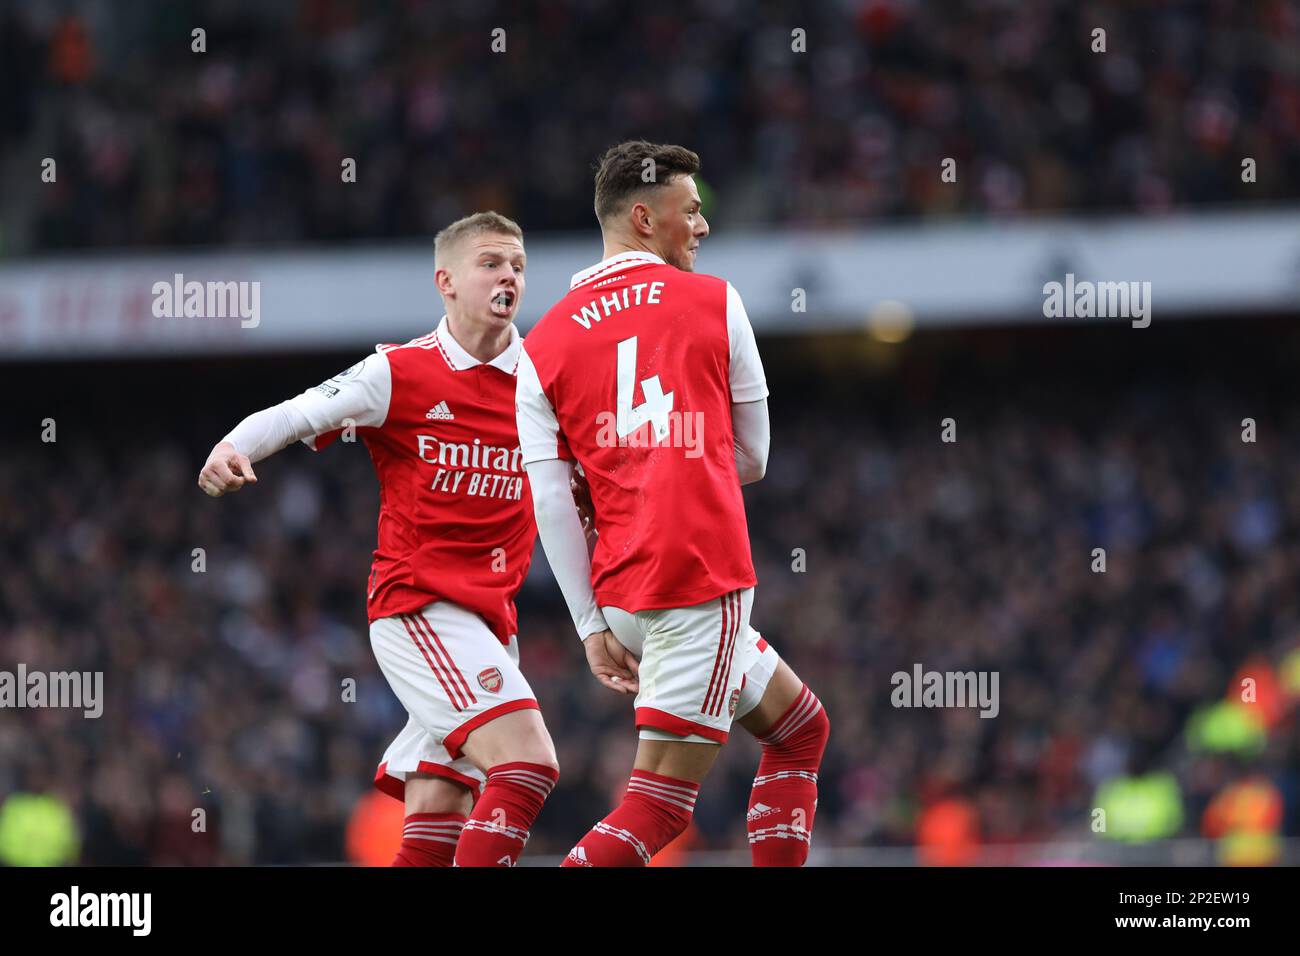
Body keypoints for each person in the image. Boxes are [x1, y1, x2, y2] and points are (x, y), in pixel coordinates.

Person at [198, 212, 558, 867]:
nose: (508, 275)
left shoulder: (545, 382)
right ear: (445, 281)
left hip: (491, 623)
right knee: (527, 765)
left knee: (437, 817)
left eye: (518, 265)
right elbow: (300, 412)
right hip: (420, 607)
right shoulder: (399, 372)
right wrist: (231, 447)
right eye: (491, 262)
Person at [516, 141, 830, 866]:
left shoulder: (544, 341)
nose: (704, 226)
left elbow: (551, 500)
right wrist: (681, 453)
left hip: (622, 591)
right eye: (692, 211)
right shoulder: (714, 300)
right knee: (657, 806)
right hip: (698, 578)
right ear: (643, 218)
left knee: (800, 728)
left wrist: (591, 624)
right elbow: (751, 458)